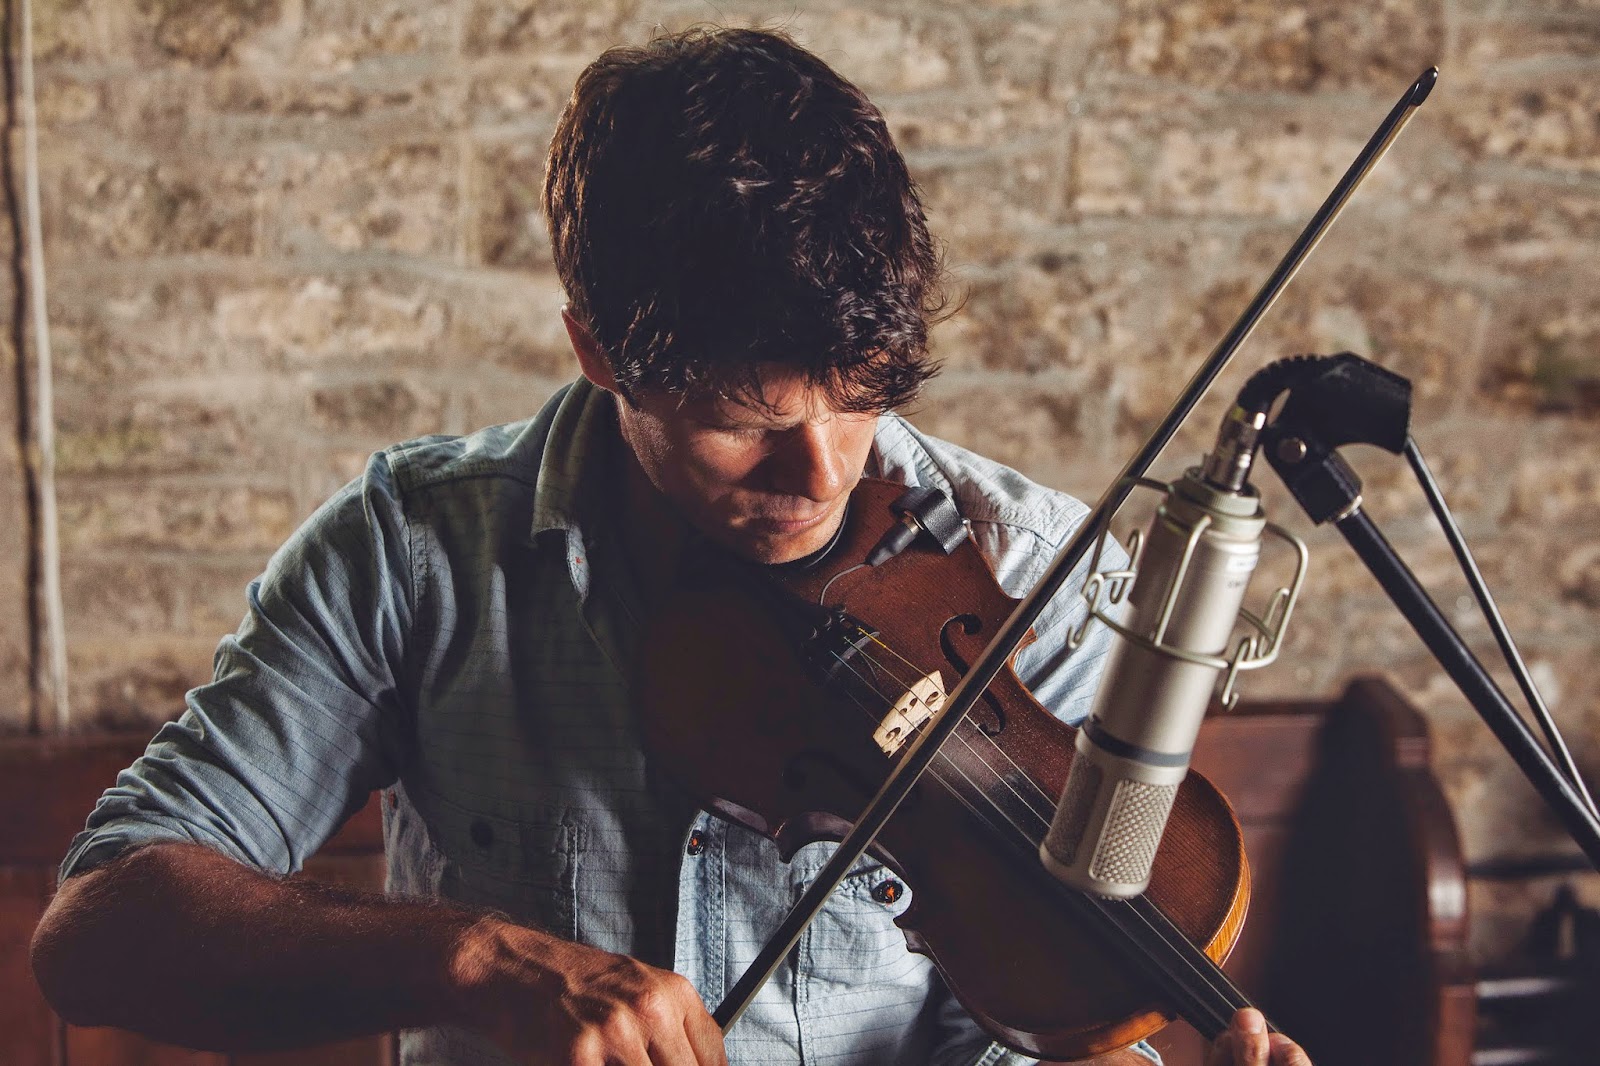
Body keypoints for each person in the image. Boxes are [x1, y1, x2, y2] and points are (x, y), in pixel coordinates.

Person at [30, 26, 1312, 1066]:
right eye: (741, 424)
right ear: (597, 349)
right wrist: (476, 960)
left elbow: (1020, 1041)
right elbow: (97, 928)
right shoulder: (413, 548)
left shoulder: (1028, 574)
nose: (823, 474)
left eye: (862, 397)